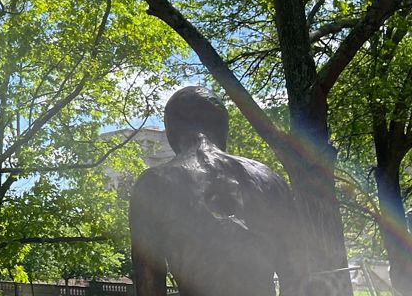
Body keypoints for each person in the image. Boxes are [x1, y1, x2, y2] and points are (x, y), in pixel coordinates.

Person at [129, 87, 306, 296]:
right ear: (223, 127)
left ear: (170, 131)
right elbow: (298, 274)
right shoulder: (269, 179)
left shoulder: (154, 184)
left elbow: (150, 286)